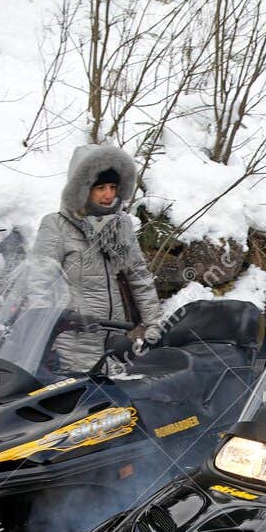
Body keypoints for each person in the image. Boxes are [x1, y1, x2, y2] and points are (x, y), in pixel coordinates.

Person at [31, 144, 162, 374]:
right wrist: (50, 323)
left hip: (116, 342)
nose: (109, 194)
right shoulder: (56, 225)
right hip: (72, 340)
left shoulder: (121, 225)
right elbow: (40, 281)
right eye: (100, 187)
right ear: (82, 188)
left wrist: (154, 323)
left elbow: (138, 276)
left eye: (113, 187)